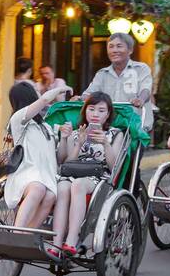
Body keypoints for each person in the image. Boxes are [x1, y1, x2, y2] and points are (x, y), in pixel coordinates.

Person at [50, 92, 124, 257]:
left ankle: (71, 240)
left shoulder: (115, 134)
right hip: (74, 172)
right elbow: (68, 163)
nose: (95, 114)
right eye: (91, 109)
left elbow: (114, 167)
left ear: (108, 114)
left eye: (101, 110)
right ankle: (56, 245)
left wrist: (105, 143)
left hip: (99, 176)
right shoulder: (76, 132)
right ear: (85, 112)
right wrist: (78, 144)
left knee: (77, 185)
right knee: (62, 187)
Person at [3, 81, 73, 229]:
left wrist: (65, 138)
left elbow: (59, 158)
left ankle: (28, 233)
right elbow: (45, 100)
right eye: (35, 89)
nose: (39, 90)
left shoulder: (46, 127)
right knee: (38, 189)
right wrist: (60, 89)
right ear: (28, 96)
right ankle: (17, 232)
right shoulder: (18, 120)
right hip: (26, 173)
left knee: (51, 196)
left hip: (46, 176)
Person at [83, 33, 153, 131]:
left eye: (119, 46)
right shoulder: (102, 74)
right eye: (111, 47)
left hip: (136, 127)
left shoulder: (141, 69)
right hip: (109, 128)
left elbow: (146, 89)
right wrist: (80, 98)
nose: (115, 50)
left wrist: (140, 99)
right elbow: (90, 93)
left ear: (130, 50)